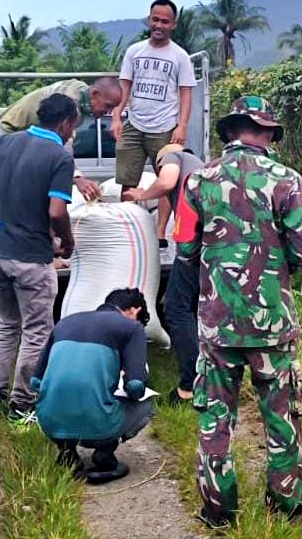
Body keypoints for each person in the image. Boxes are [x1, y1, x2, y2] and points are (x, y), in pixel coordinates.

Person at [173, 95, 302, 527]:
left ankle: (218, 510)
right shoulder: (287, 180)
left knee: (215, 418)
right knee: (281, 416)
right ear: (269, 134)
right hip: (272, 324)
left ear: (229, 131)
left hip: (217, 325)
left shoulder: (197, 181)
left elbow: (184, 248)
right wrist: (275, 267)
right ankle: (287, 503)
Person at [0, 93, 79, 420]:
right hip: (31, 257)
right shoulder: (60, 156)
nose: (72, 133)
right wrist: (67, 240)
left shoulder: (6, 142)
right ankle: (22, 405)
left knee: (7, 325)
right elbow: (56, 211)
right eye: (73, 127)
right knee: (37, 331)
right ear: (65, 123)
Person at [30, 288, 154, 485]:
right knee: (146, 405)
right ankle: (105, 453)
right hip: (99, 425)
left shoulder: (65, 322)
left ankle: (67, 454)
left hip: (50, 424)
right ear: (135, 310)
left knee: (65, 399)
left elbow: (35, 382)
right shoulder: (132, 328)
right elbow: (135, 386)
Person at [122, 143, 204, 405]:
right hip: (219, 246)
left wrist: (141, 194)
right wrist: (159, 232)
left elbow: (166, 183)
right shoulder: (199, 170)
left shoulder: (173, 157)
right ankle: (213, 375)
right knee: (200, 308)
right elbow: (167, 197)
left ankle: (190, 386)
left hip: (195, 245)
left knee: (175, 307)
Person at [111, 0, 196, 193]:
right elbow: (124, 87)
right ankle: (128, 212)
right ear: (149, 19)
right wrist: (116, 117)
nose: (159, 25)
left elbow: (185, 94)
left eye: (165, 21)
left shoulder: (180, 56)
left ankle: (164, 216)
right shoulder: (134, 51)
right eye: (155, 19)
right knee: (127, 181)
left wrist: (182, 126)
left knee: (166, 183)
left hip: (164, 128)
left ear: (173, 24)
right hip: (134, 125)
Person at [0, 77, 123, 201]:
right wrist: (78, 178)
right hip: (11, 129)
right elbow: (63, 149)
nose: (108, 112)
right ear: (95, 94)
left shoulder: (81, 92)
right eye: (107, 105)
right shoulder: (69, 105)